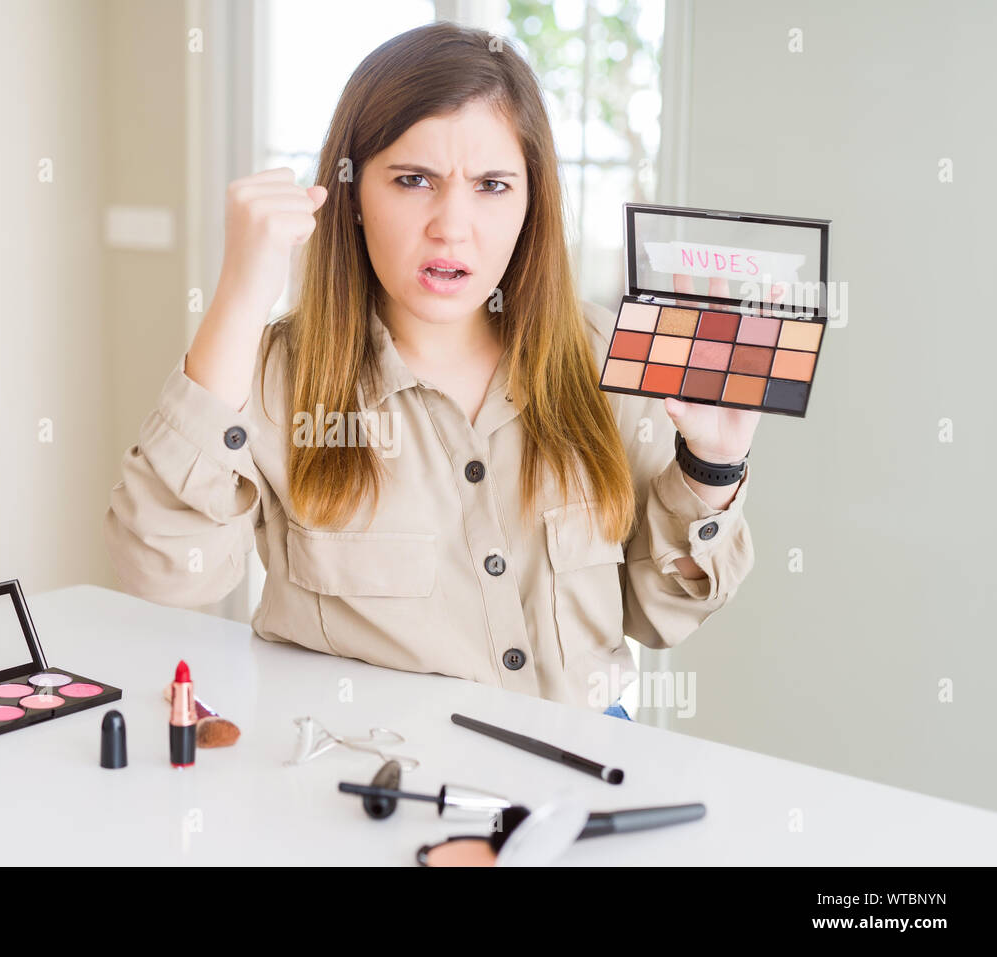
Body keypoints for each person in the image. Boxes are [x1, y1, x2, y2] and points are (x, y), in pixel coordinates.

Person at [103, 21, 757, 717]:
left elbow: (660, 615)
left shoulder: (604, 356)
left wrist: (711, 465)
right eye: (414, 180)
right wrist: (238, 294)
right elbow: (164, 570)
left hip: (579, 767)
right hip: (361, 780)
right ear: (351, 195)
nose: (452, 224)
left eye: (492, 185)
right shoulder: (275, 376)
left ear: (532, 202)